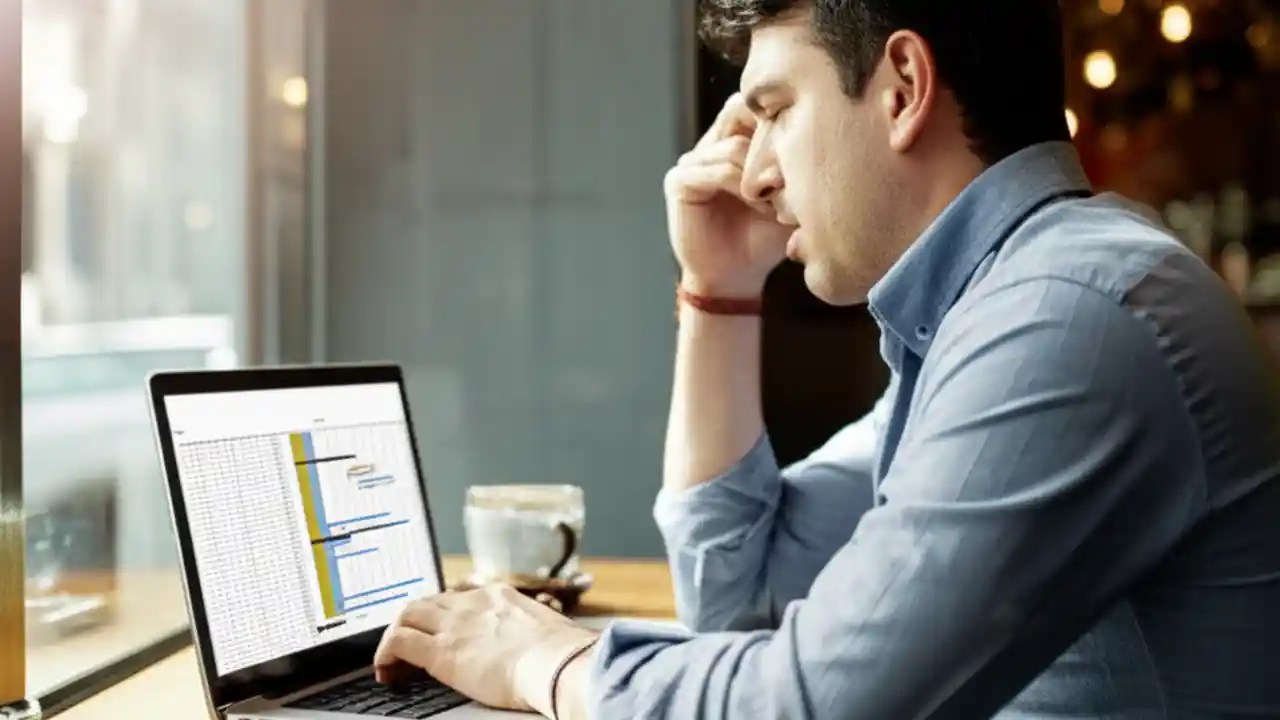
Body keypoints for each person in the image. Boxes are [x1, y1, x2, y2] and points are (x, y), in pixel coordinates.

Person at [372, 1, 1280, 717]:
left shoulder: (1072, 317)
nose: (755, 171)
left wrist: (545, 658)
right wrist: (719, 292)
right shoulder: (1006, 311)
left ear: (902, 87)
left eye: (774, 109)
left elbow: (812, 706)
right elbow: (741, 599)